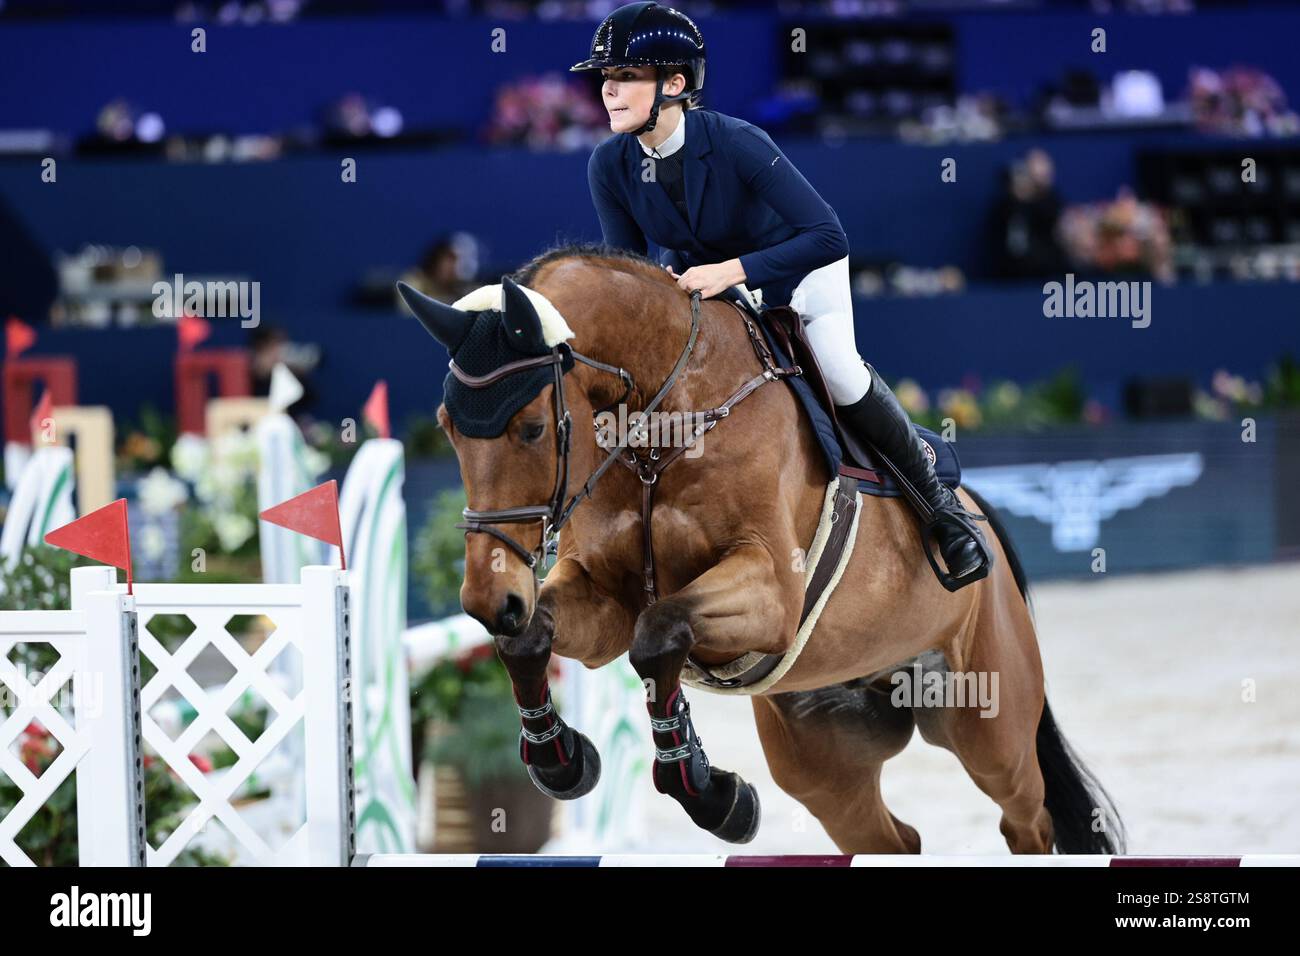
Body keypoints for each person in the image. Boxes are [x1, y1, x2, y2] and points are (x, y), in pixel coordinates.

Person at [572, 1, 989, 589]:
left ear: (675, 83)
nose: (608, 92)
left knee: (840, 373)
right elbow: (629, 270)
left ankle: (943, 515)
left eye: (625, 78)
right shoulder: (608, 164)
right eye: (605, 79)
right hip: (709, 286)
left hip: (795, 269)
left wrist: (732, 272)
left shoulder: (738, 142)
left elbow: (826, 233)